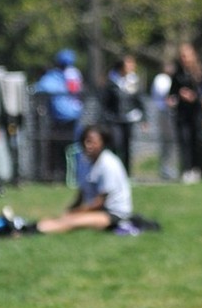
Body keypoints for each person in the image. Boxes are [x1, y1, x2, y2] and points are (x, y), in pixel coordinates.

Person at [34, 124, 133, 233]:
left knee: (70, 222)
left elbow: (100, 201)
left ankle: (34, 231)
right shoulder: (85, 161)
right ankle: (30, 227)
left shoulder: (108, 163)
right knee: (63, 218)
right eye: (85, 141)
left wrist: (77, 211)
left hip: (112, 214)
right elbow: (82, 192)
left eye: (92, 142)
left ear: (102, 142)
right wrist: (71, 209)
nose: (88, 145)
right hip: (97, 211)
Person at [32, 48, 84, 182]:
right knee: (69, 148)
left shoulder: (56, 76)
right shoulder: (73, 74)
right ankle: (68, 176)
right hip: (71, 116)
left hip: (65, 118)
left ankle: (63, 175)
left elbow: (38, 88)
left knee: (64, 149)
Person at [167, 43, 202, 184]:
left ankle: (196, 169)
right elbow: (172, 93)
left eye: (186, 55)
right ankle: (186, 169)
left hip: (196, 113)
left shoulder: (200, 73)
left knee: (196, 141)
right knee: (184, 141)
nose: (184, 58)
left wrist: (194, 97)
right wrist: (177, 96)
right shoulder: (177, 73)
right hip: (182, 114)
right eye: (182, 56)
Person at [101, 55, 145, 174]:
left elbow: (139, 100)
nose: (131, 67)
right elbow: (105, 101)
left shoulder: (134, 81)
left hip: (129, 118)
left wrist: (144, 118)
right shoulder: (112, 81)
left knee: (127, 145)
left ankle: (127, 172)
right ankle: (114, 170)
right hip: (115, 119)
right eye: (128, 64)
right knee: (116, 143)